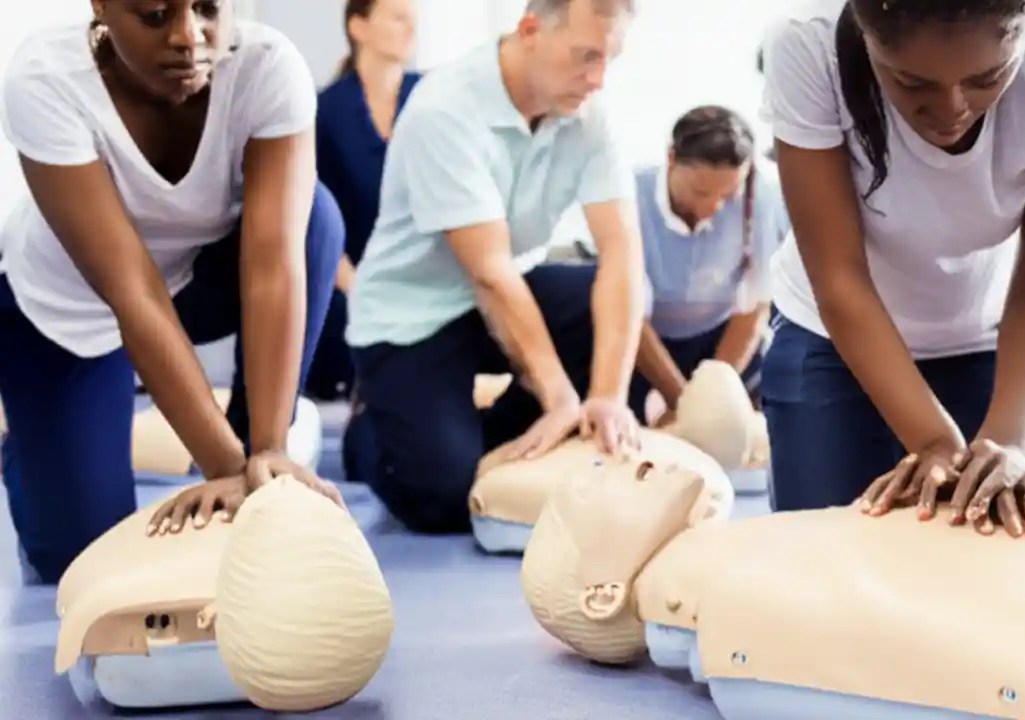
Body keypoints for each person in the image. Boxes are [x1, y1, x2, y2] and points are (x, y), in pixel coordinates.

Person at [0, 0, 346, 584]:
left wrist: (264, 458)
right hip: (69, 315)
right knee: (74, 554)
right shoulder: (45, 79)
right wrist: (224, 469)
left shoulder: (267, 68)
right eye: (156, 15)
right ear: (102, 8)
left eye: (208, 9)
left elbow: (272, 263)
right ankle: (36, 443)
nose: (189, 36)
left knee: (315, 219)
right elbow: (130, 290)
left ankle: (271, 430)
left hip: (196, 285)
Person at [759, 0, 1025, 536]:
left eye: (987, 78)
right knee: (828, 569)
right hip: (830, 339)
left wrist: (1006, 442)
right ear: (866, 37)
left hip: (987, 342)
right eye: (911, 83)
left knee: (1013, 559)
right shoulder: (807, 46)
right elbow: (839, 278)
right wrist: (933, 442)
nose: (953, 107)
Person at [343, 0, 645, 533]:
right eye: (585, 56)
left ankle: (494, 429)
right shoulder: (447, 107)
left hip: (501, 296)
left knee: (604, 322)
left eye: (611, 59)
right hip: (411, 319)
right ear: (530, 30)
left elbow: (622, 255)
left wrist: (607, 397)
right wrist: (558, 396)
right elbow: (488, 271)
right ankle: (373, 431)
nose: (598, 78)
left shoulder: (587, 112)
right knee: (442, 496)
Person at [630, 105, 789, 426]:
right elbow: (627, 316)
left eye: (727, 195)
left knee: (736, 425)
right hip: (642, 339)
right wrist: (681, 401)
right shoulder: (629, 193)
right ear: (671, 158)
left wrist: (711, 399)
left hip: (723, 335)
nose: (712, 206)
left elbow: (752, 310)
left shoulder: (765, 192)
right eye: (700, 192)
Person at [307, 0, 422, 401]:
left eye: (413, 19)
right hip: (351, 283)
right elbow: (313, 215)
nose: (411, 28)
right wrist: (361, 290)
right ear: (358, 27)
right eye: (397, 18)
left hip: (424, 278)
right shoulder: (323, 111)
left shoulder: (430, 100)